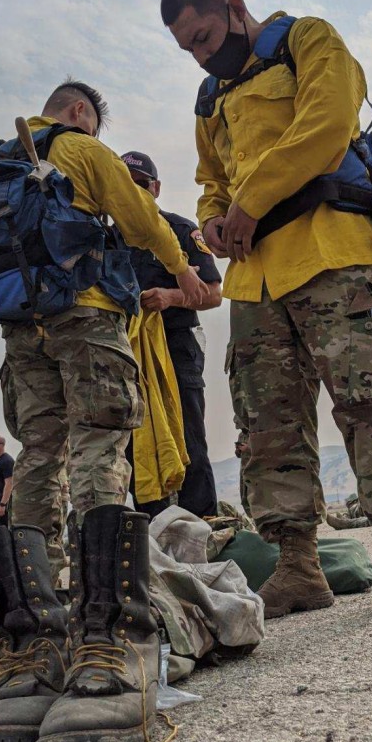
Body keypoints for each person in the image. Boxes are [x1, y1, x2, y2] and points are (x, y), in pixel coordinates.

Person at [161, 0, 372, 619]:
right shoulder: (210, 98)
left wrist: (249, 203)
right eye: (188, 48)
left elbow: (327, 121)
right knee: (268, 429)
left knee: (369, 400)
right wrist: (211, 222)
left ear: (233, 6)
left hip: (330, 251)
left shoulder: (307, 40)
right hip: (255, 279)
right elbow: (209, 180)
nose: (201, 54)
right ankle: (298, 568)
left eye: (203, 36)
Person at [0, 82, 206, 577]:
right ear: (78, 112)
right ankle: (105, 581)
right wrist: (182, 269)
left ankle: (37, 582)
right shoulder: (81, 147)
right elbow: (141, 220)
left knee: (40, 449)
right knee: (100, 440)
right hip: (84, 316)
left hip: (20, 326)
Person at [123, 149, 223, 519]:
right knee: (130, 445)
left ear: (156, 187)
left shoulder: (180, 231)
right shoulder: (104, 239)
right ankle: (150, 531)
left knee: (189, 437)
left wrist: (171, 297)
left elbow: (213, 294)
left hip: (176, 347)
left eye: (141, 185)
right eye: (125, 185)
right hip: (123, 354)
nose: (134, 192)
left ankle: (204, 526)